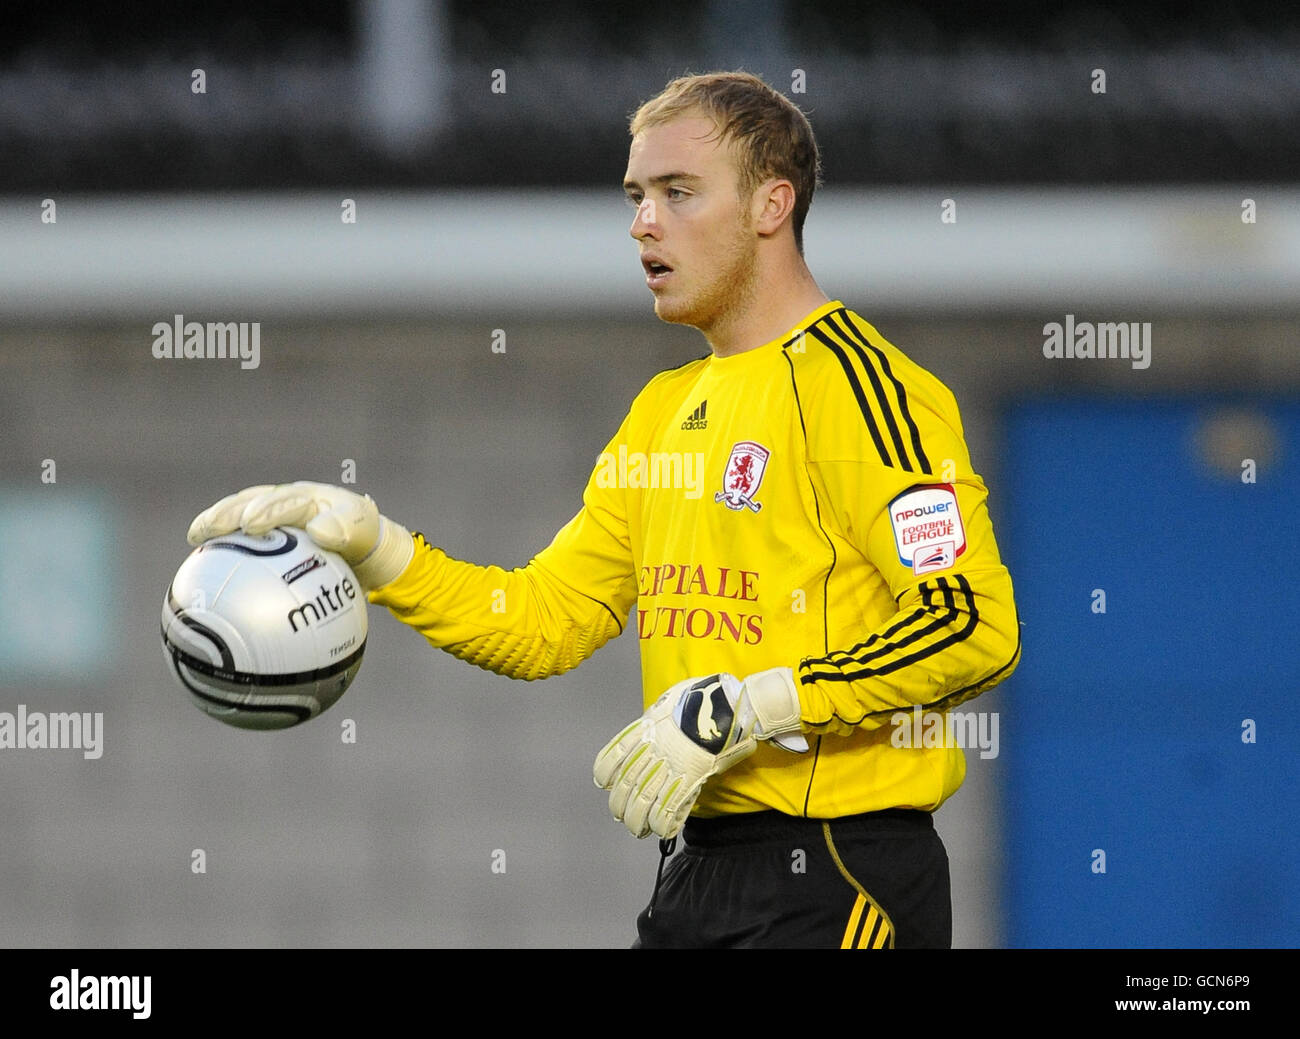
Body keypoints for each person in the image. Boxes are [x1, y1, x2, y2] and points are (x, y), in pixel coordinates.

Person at [187, 71, 1020, 949]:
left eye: (678, 192)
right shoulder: (663, 411)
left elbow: (972, 626)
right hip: (698, 867)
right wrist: (380, 549)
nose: (643, 223)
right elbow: (547, 620)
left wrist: (760, 704)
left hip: (842, 871)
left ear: (772, 205)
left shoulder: (863, 391)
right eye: (635, 196)